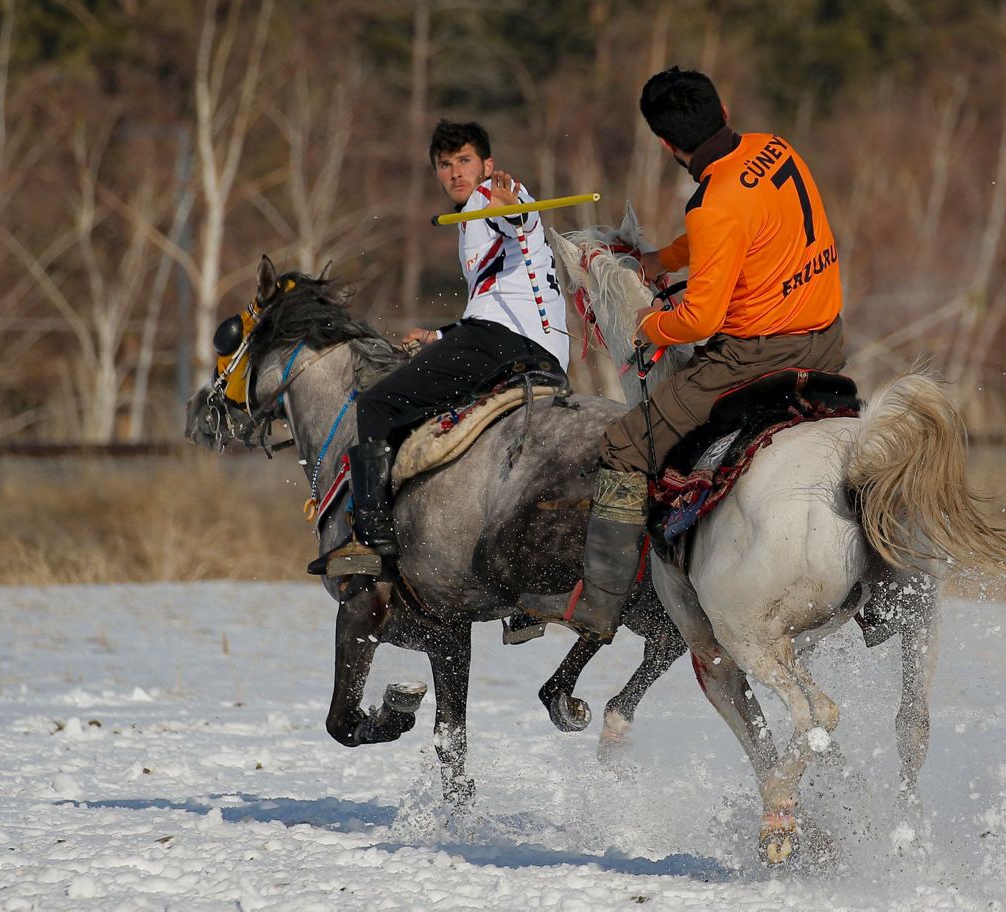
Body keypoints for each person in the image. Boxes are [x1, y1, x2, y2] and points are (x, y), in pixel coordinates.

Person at [519, 67, 847, 642]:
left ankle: (599, 606)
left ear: (667, 144)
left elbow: (699, 319)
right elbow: (744, 228)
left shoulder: (712, 203)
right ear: (721, 110)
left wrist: (646, 322)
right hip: (827, 337)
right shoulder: (773, 148)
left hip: (756, 356)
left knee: (623, 444)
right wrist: (664, 259)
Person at [310, 119, 569, 579]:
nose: (455, 172)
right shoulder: (474, 212)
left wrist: (513, 210)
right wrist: (441, 337)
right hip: (533, 346)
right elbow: (495, 293)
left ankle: (368, 537)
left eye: (464, 161)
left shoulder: (494, 196)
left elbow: (517, 219)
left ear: (486, 164)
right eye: (445, 165)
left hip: (506, 343)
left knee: (376, 404)